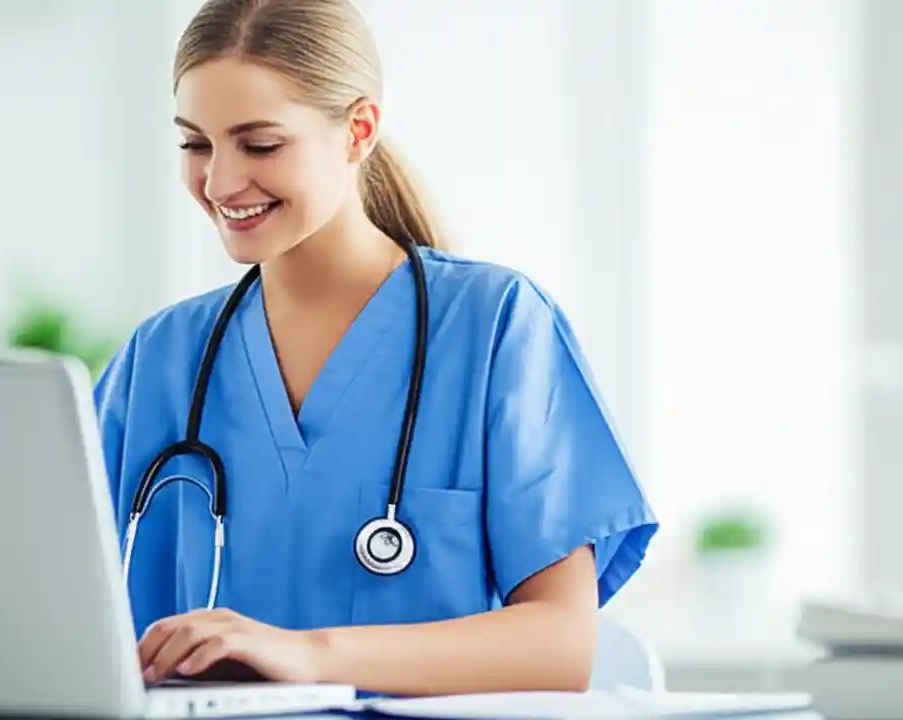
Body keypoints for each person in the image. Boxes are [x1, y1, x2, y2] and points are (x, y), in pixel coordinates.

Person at [93, 0, 657, 698]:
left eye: (260, 144)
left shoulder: (494, 327)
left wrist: (308, 654)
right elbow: (65, 617)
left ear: (358, 130)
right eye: (195, 144)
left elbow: (558, 645)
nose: (218, 182)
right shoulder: (162, 358)